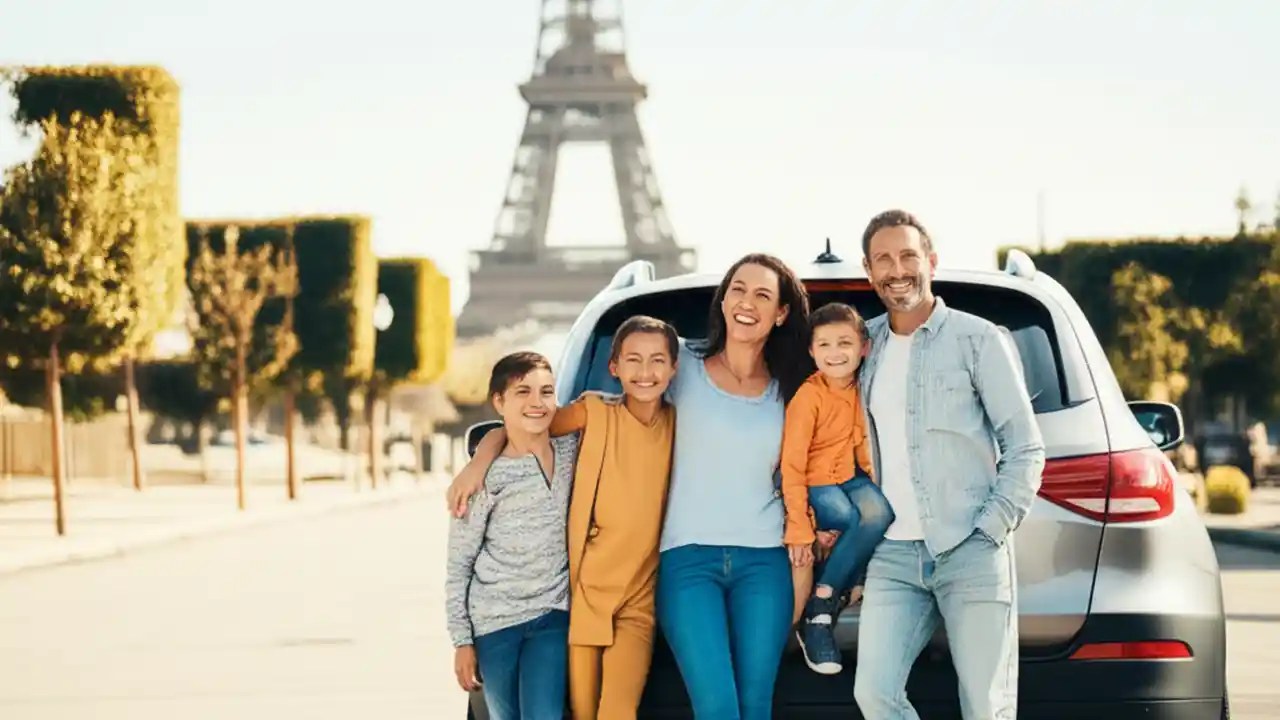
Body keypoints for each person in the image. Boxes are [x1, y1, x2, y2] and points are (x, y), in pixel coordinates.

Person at [851, 210, 1046, 720]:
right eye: (883, 259)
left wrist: (990, 530)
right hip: (892, 555)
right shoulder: (862, 346)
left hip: (970, 548)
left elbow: (1025, 446)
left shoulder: (978, 339)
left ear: (931, 262)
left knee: (985, 706)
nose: (897, 270)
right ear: (869, 271)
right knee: (874, 694)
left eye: (908, 255)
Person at [450, 316, 680, 720]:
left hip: (613, 604)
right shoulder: (590, 419)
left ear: (674, 368)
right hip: (559, 604)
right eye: (633, 359)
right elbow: (523, 426)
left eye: (658, 360)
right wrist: (480, 461)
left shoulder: (679, 423)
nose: (645, 372)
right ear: (613, 367)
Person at [653, 253, 810, 720]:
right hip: (687, 559)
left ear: (780, 313)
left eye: (762, 295)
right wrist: (490, 447)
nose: (747, 302)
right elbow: (606, 411)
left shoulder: (794, 388)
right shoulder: (680, 363)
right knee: (718, 707)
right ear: (722, 301)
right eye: (737, 290)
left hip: (765, 562)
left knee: (755, 707)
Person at [444, 351, 579, 720]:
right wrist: (462, 641)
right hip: (494, 625)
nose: (537, 402)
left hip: (552, 615)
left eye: (547, 392)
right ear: (499, 402)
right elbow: (459, 564)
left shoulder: (573, 451)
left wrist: (484, 450)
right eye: (523, 392)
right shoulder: (484, 480)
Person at [780, 302, 893, 676]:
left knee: (880, 513)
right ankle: (823, 609)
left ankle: (824, 594)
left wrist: (873, 479)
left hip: (848, 475)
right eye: (824, 345)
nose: (835, 353)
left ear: (864, 348)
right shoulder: (809, 397)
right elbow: (792, 464)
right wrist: (801, 523)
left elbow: (861, 442)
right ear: (812, 351)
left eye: (845, 343)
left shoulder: (861, 389)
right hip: (817, 480)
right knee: (847, 517)